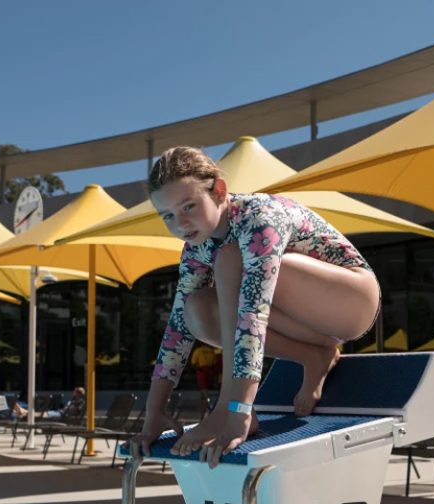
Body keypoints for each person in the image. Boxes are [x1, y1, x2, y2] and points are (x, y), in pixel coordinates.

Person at [126, 146, 380, 467]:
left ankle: (228, 405)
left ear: (219, 191)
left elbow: (252, 314)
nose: (181, 223)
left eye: (188, 206)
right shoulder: (197, 247)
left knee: (231, 260)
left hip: (353, 301)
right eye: (168, 216)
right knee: (195, 310)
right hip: (304, 320)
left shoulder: (259, 219)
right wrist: (154, 411)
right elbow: (177, 330)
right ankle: (314, 356)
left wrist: (237, 410)